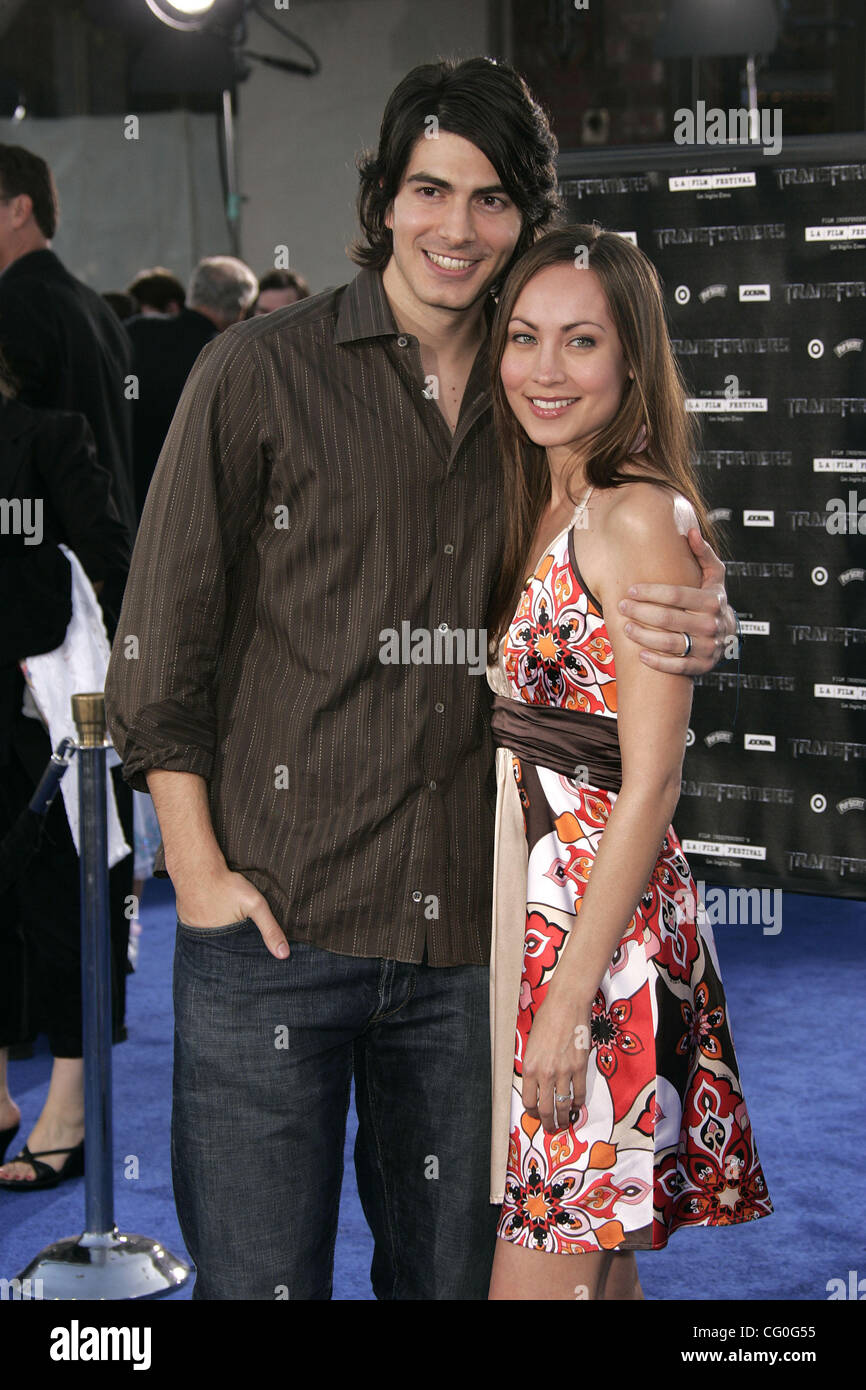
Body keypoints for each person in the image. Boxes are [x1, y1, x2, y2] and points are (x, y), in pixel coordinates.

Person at [104, 57, 738, 1301]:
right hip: (273, 926)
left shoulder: (532, 395)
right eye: (428, 190)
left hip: (472, 946)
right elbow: (155, 643)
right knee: (257, 1285)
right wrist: (198, 870)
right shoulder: (256, 372)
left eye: (491, 198)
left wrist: (694, 613)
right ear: (383, 199)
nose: (457, 226)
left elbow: (613, 553)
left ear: (525, 217)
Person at [484, 224, 772, 1300]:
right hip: (549, 916)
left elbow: (651, 779)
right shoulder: (546, 492)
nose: (543, 370)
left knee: (543, 1274)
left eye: (579, 342)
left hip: (597, 947)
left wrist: (565, 1001)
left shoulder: (632, 513)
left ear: (629, 357)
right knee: (593, 1277)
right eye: (522, 338)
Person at [0, 347, 133, 1189]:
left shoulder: (49, 437)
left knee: (63, 906)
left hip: (41, 714)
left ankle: (71, 1109)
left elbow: (114, 560)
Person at [0, 144, 137, 540]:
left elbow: (14, 450)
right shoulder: (98, 308)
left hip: (43, 560)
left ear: (20, 210)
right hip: (102, 553)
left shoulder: (15, 303)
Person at [126, 255, 259, 517]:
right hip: (188, 510)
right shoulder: (228, 358)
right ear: (241, 308)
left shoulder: (135, 333)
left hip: (128, 502)